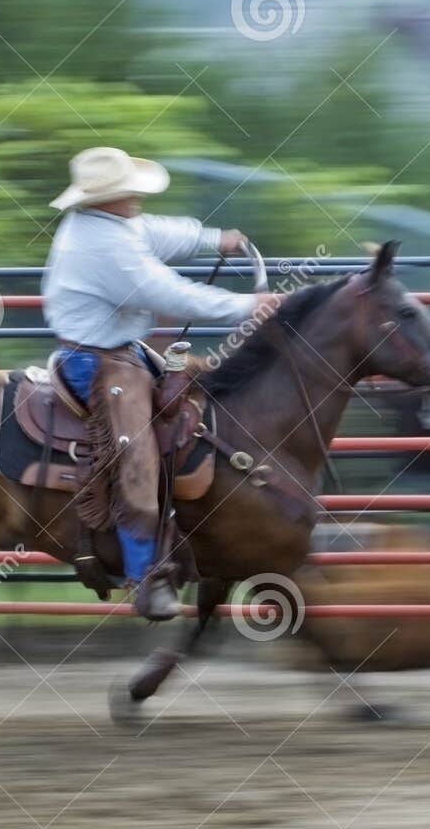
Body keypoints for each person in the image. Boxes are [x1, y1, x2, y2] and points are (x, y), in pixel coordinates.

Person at [42, 146, 279, 620]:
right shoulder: (103, 244)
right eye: (129, 191)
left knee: (197, 401)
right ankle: (145, 576)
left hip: (121, 352)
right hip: (98, 364)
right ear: (111, 197)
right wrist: (244, 307)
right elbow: (163, 290)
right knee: (138, 452)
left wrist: (215, 239)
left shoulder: (110, 224)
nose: (136, 198)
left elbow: (157, 233)